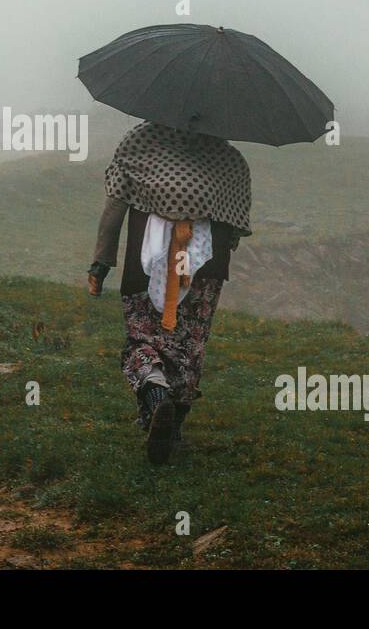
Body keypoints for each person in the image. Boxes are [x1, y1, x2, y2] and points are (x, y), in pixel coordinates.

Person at [88, 121, 252, 464]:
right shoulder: (230, 159)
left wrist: (100, 263)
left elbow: (114, 209)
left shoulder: (139, 141)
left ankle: (155, 397)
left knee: (142, 337)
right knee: (190, 342)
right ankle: (172, 425)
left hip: (145, 261)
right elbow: (234, 232)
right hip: (206, 264)